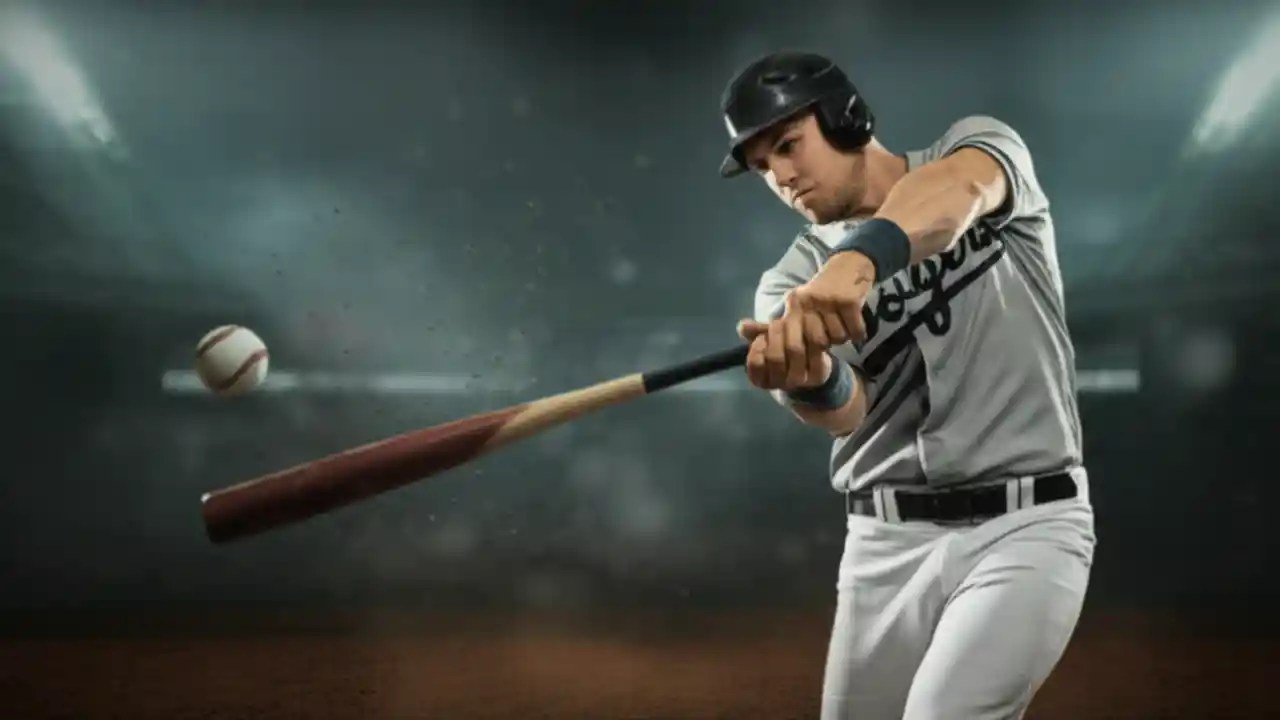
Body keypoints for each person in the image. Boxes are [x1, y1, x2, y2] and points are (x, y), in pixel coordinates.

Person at [718, 50, 1097, 719]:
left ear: (846, 116)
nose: (780, 175)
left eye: (787, 144)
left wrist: (860, 260)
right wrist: (811, 380)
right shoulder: (787, 283)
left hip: (1028, 526)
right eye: (761, 166)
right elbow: (848, 413)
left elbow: (959, 195)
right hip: (884, 543)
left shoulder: (975, 148)